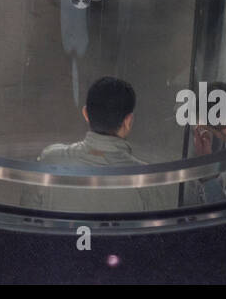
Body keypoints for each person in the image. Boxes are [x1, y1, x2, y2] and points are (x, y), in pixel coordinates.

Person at [23, 76, 156, 213]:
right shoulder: (148, 180)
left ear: (85, 114)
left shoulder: (49, 160)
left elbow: (27, 216)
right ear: (128, 121)